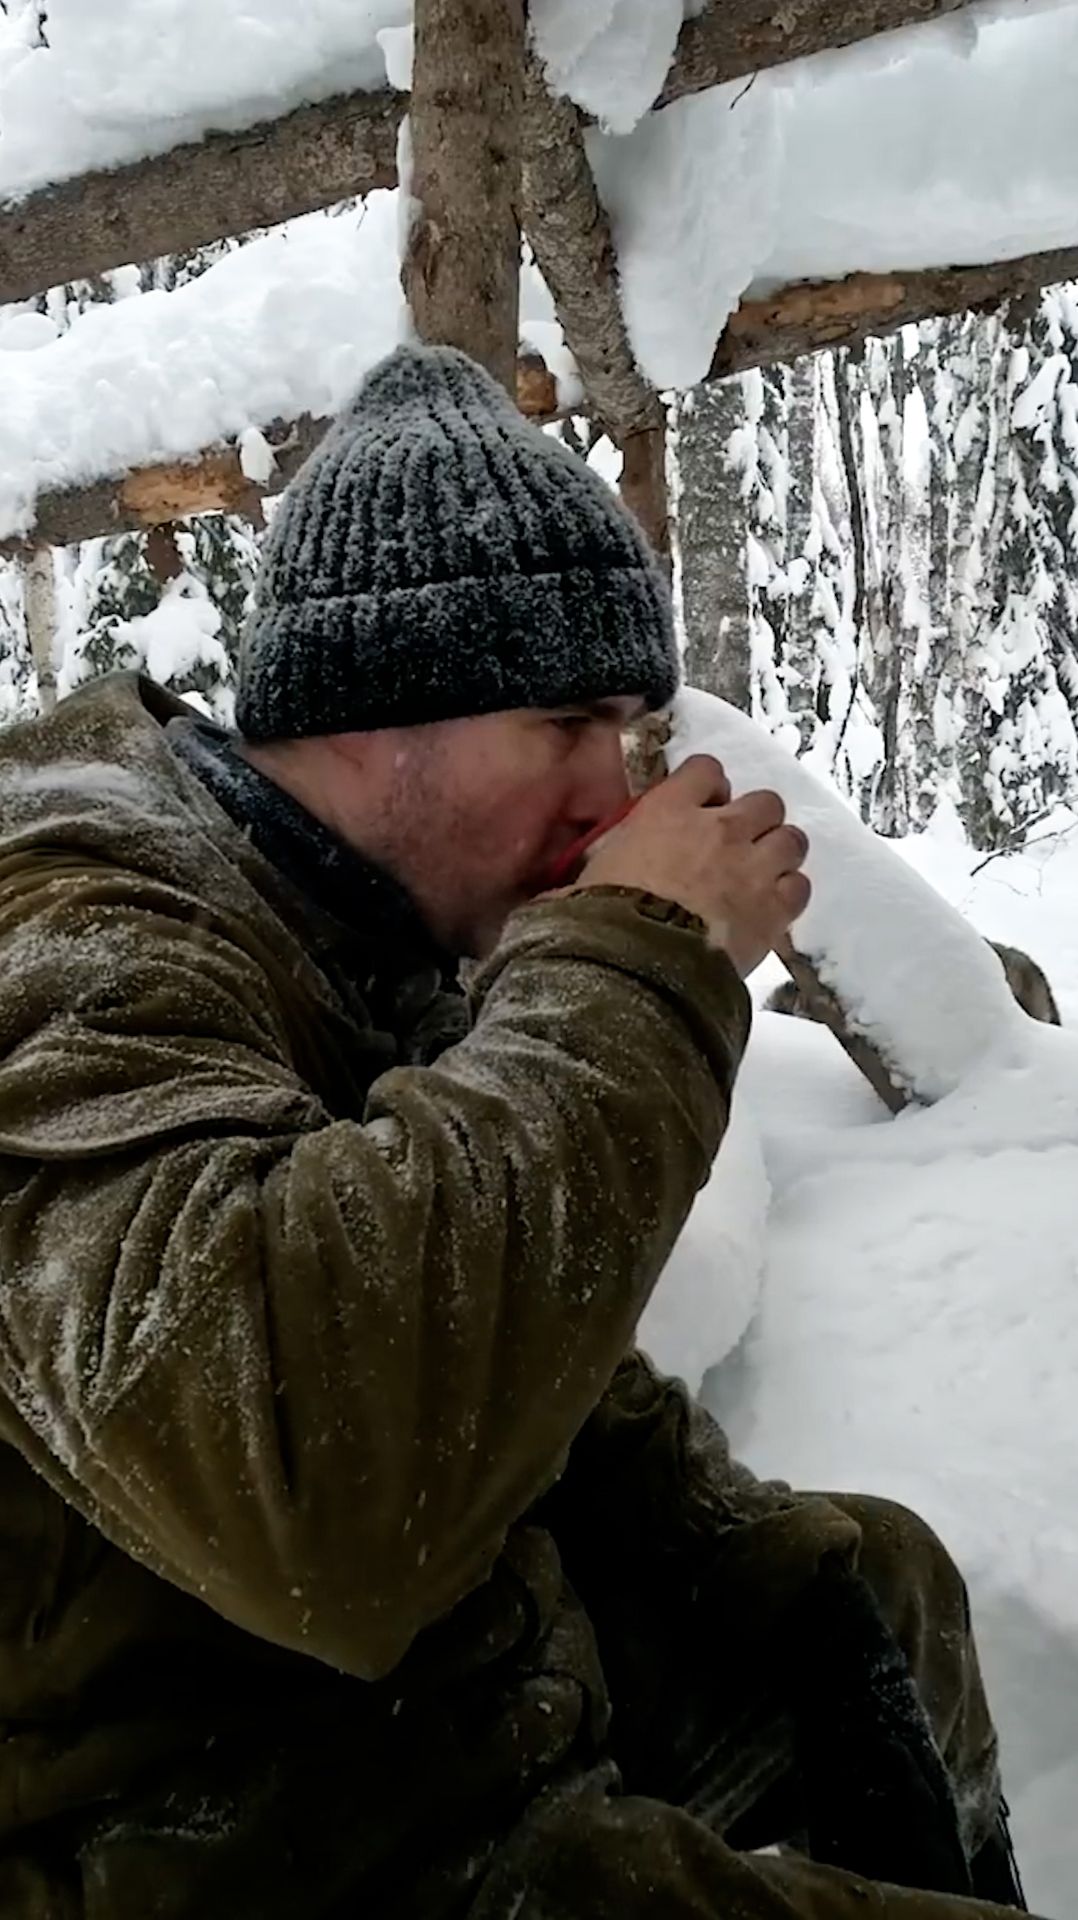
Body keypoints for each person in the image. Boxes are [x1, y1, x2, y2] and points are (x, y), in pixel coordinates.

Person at [0, 344, 1031, 1918]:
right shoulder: (73, 945)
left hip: (387, 1710)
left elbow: (511, 1349)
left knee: (857, 1595)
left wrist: (733, 1556)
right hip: (189, 1820)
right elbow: (314, 1483)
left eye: (628, 727)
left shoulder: (341, 917)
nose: (611, 793)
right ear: (370, 716)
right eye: (565, 721)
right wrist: (635, 961)